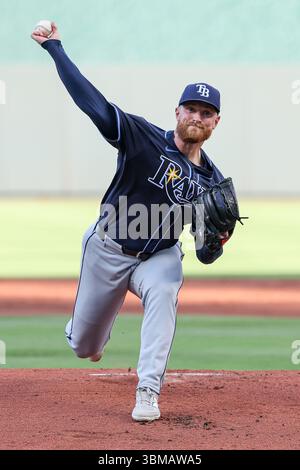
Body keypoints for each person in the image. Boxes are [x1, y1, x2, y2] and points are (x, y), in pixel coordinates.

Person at [31, 22, 230, 422]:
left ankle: (148, 390)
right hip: (107, 248)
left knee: (166, 288)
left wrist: (216, 242)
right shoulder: (141, 136)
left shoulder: (212, 183)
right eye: (191, 108)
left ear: (214, 123)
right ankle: (88, 325)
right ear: (177, 112)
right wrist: (55, 48)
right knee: (86, 348)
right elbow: (94, 104)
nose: (197, 116)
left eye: (206, 113)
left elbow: (205, 250)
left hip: (158, 255)